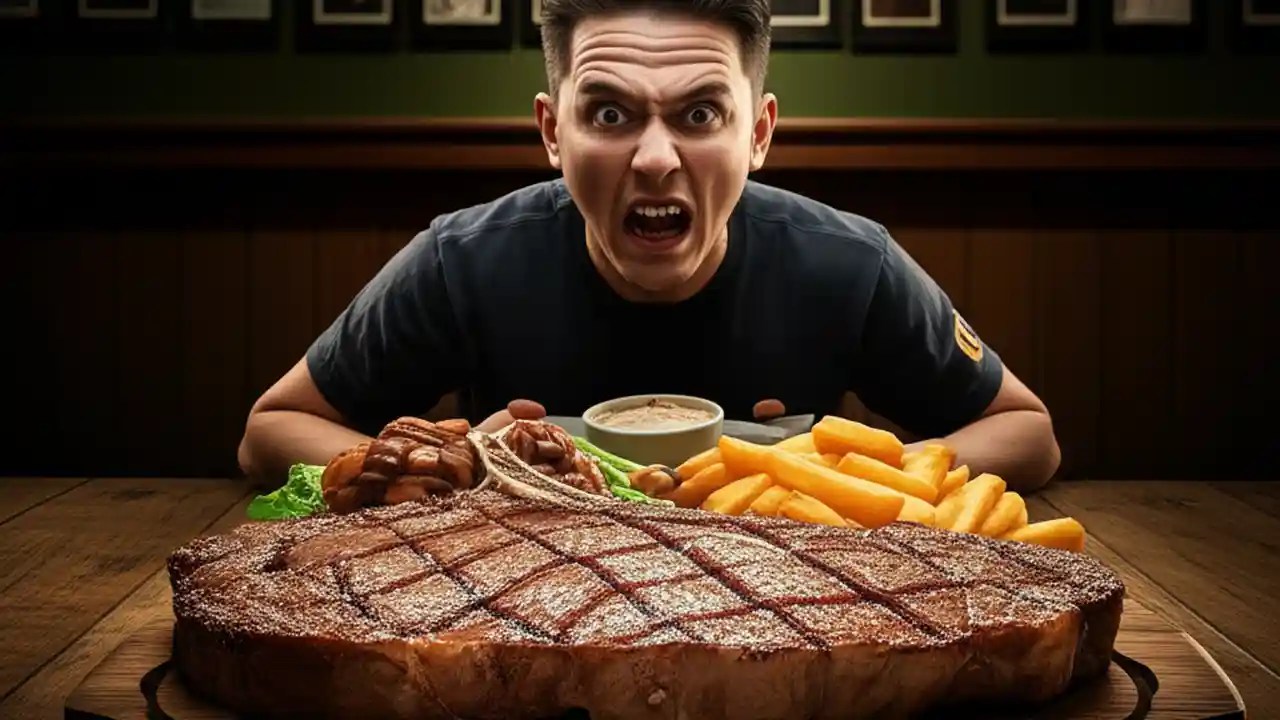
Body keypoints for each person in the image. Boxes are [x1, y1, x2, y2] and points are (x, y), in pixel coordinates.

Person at [237, 0, 1061, 494]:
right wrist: (462, 465)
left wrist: (836, 476)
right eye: (608, 114)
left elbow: (1025, 431)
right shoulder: (465, 259)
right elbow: (272, 430)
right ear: (552, 132)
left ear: (760, 134)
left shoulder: (847, 261)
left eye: (701, 114)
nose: (657, 157)